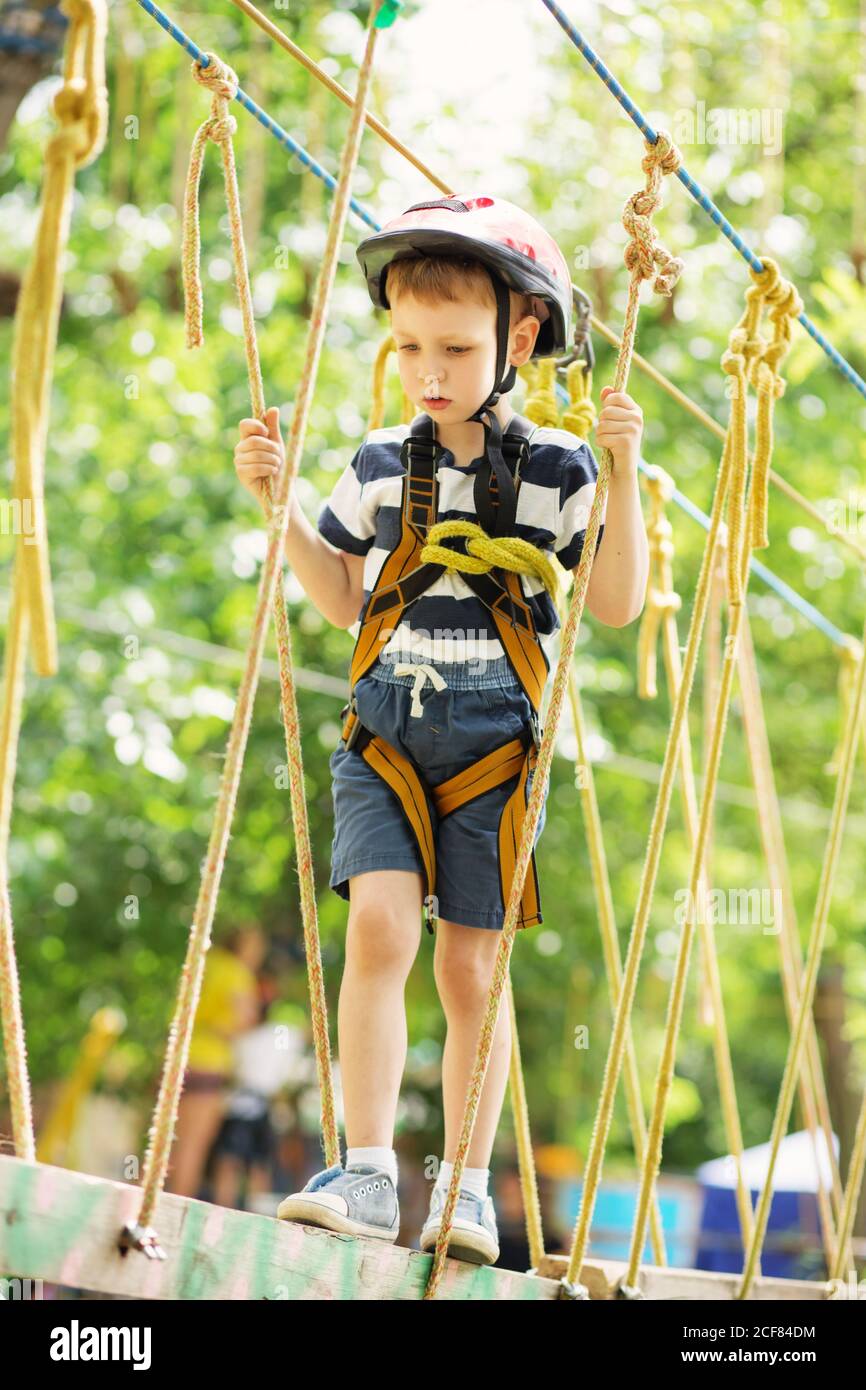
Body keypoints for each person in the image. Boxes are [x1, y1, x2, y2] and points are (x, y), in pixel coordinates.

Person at [233, 194, 648, 1264]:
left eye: (455, 348)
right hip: (384, 732)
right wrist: (280, 503)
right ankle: (367, 1170)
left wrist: (625, 476)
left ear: (517, 340)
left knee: (470, 970)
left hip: (496, 745)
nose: (427, 369)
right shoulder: (378, 462)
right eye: (409, 345)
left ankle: (461, 1187)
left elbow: (612, 602)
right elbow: (337, 595)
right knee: (378, 929)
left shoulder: (558, 469)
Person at [165, 924, 266, 1199]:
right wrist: (224, 1030)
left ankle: (139, 1201)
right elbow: (245, 1018)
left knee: (164, 1138)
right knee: (193, 1145)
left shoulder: (205, 963)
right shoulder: (237, 972)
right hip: (210, 1063)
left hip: (179, 1057)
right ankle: (175, 1209)